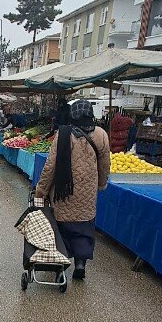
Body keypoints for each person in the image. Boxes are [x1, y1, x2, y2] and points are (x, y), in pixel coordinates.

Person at [34, 99, 110, 281]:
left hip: (64, 192)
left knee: (63, 227)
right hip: (87, 193)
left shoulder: (63, 134)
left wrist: (41, 190)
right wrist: (101, 183)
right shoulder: (101, 134)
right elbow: (105, 164)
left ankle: (60, 261)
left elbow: (50, 167)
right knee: (84, 227)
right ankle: (80, 263)